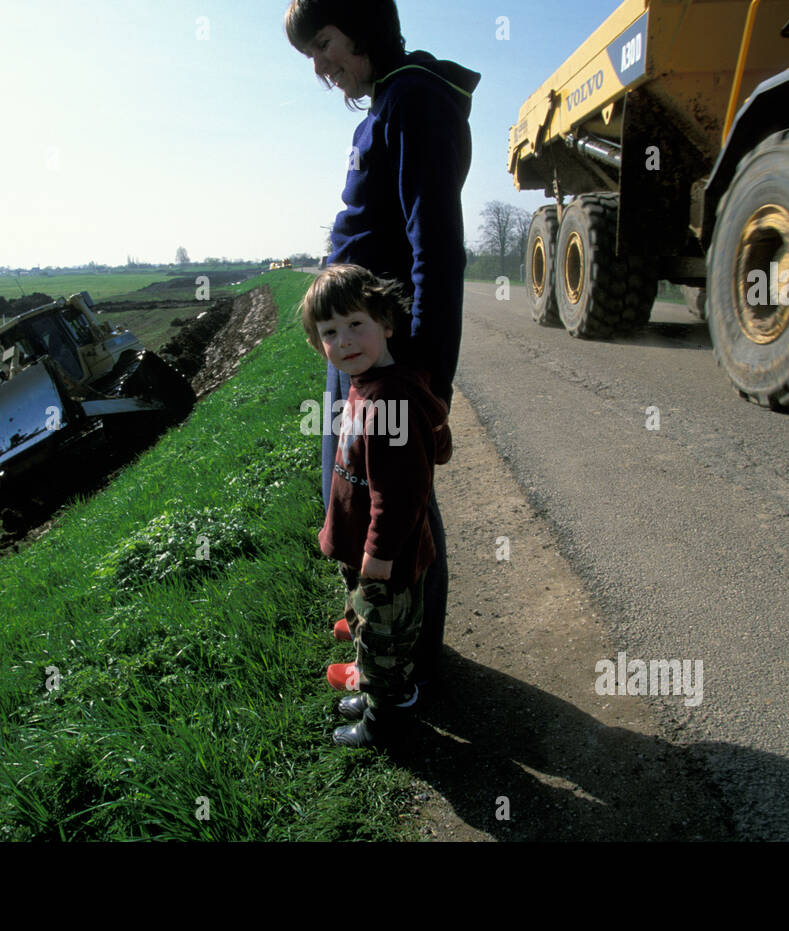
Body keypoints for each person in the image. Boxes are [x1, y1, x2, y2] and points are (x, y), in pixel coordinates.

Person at [285, 0, 479, 691]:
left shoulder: (414, 101)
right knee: (355, 479)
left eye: (326, 42)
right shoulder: (389, 101)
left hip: (389, 356)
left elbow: (436, 251)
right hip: (358, 348)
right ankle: (369, 612)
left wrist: (430, 374)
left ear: (363, 26)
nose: (319, 65)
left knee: (400, 496)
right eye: (310, 51)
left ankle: (410, 657)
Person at [300, 265, 452, 746]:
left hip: (386, 561)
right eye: (330, 332)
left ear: (386, 322)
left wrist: (380, 554)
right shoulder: (367, 382)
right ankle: (370, 689)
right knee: (366, 627)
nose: (344, 341)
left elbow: (401, 493)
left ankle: (385, 719)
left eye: (355, 324)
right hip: (361, 554)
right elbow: (435, 444)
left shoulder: (392, 398)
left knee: (386, 646)